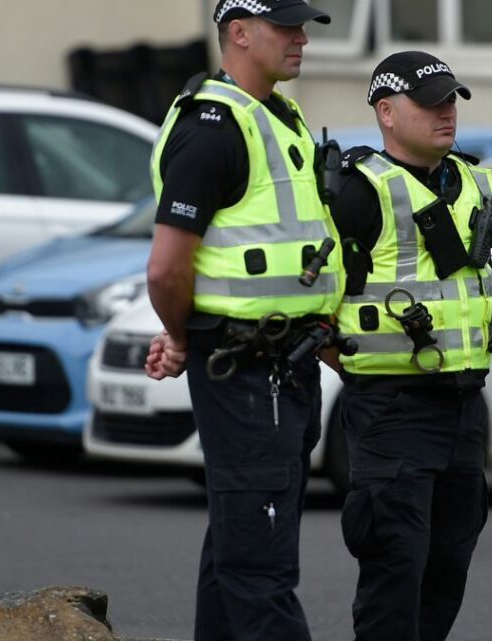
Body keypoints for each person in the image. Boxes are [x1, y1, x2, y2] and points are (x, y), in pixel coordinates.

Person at [143, 2, 343, 640]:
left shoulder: (278, 116)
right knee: (260, 567)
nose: (301, 38)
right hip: (245, 370)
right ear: (238, 32)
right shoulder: (213, 127)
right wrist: (180, 335)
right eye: (286, 26)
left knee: (239, 548)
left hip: (286, 365)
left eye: (302, 26)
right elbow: (166, 270)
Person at [326, 51, 492, 641]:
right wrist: (355, 360)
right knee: (395, 566)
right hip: (392, 408)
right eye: (430, 103)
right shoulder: (356, 192)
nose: (445, 113)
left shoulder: (474, 181)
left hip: (463, 405)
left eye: (450, 100)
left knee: (448, 563)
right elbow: (311, 296)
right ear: (385, 112)